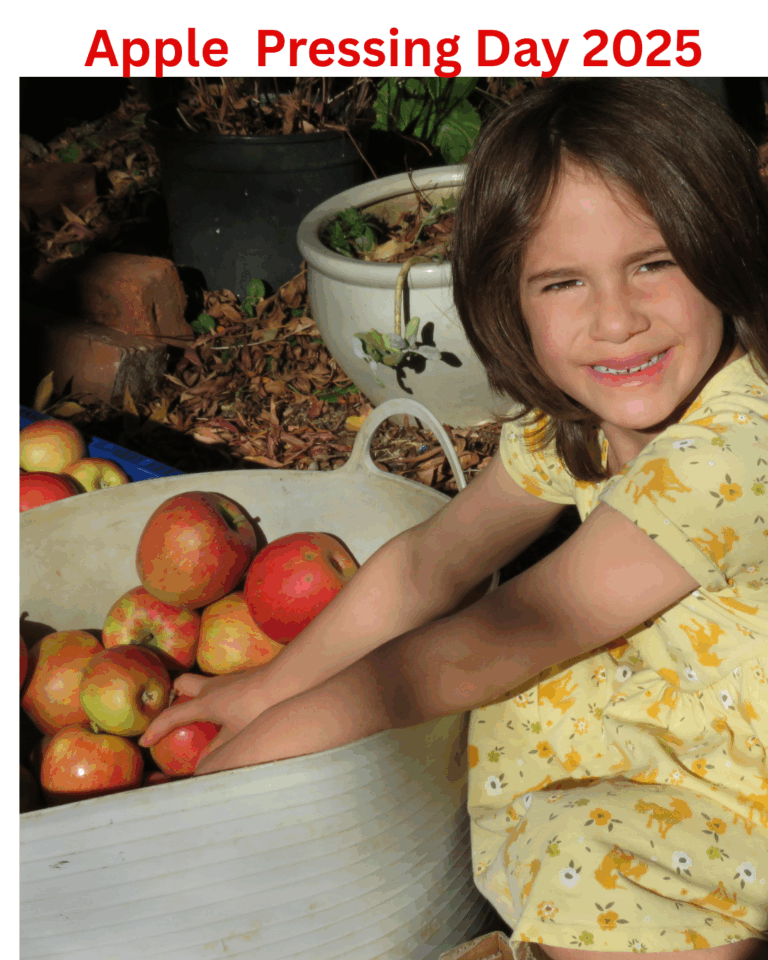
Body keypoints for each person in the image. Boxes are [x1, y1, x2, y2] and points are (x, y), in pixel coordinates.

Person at [140, 79, 768, 959]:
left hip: (740, 795)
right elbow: (428, 565)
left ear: (727, 246)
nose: (617, 320)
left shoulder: (733, 450)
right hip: (674, 748)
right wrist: (267, 690)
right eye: (562, 282)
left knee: (588, 868)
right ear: (508, 301)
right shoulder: (580, 420)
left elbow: (481, 647)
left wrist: (238, 772)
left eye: (654, 263)